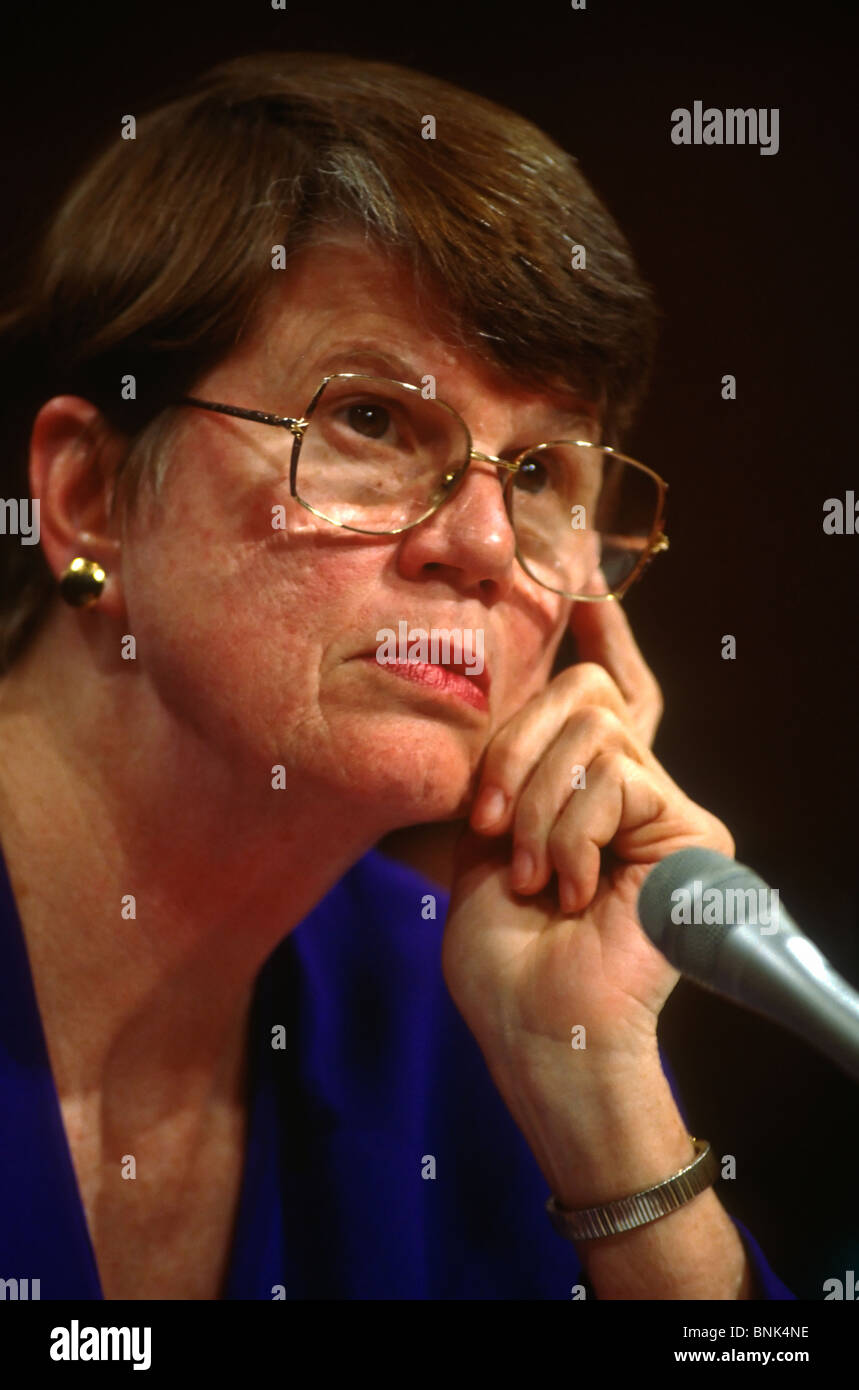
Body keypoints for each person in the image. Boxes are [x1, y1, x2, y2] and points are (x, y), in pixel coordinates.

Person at [0, 51, 795, 1300]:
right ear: (90, 496)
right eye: (370, 418)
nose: (482, 547)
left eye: (539, 476)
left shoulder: (464, 1007)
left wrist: (591, 1096)